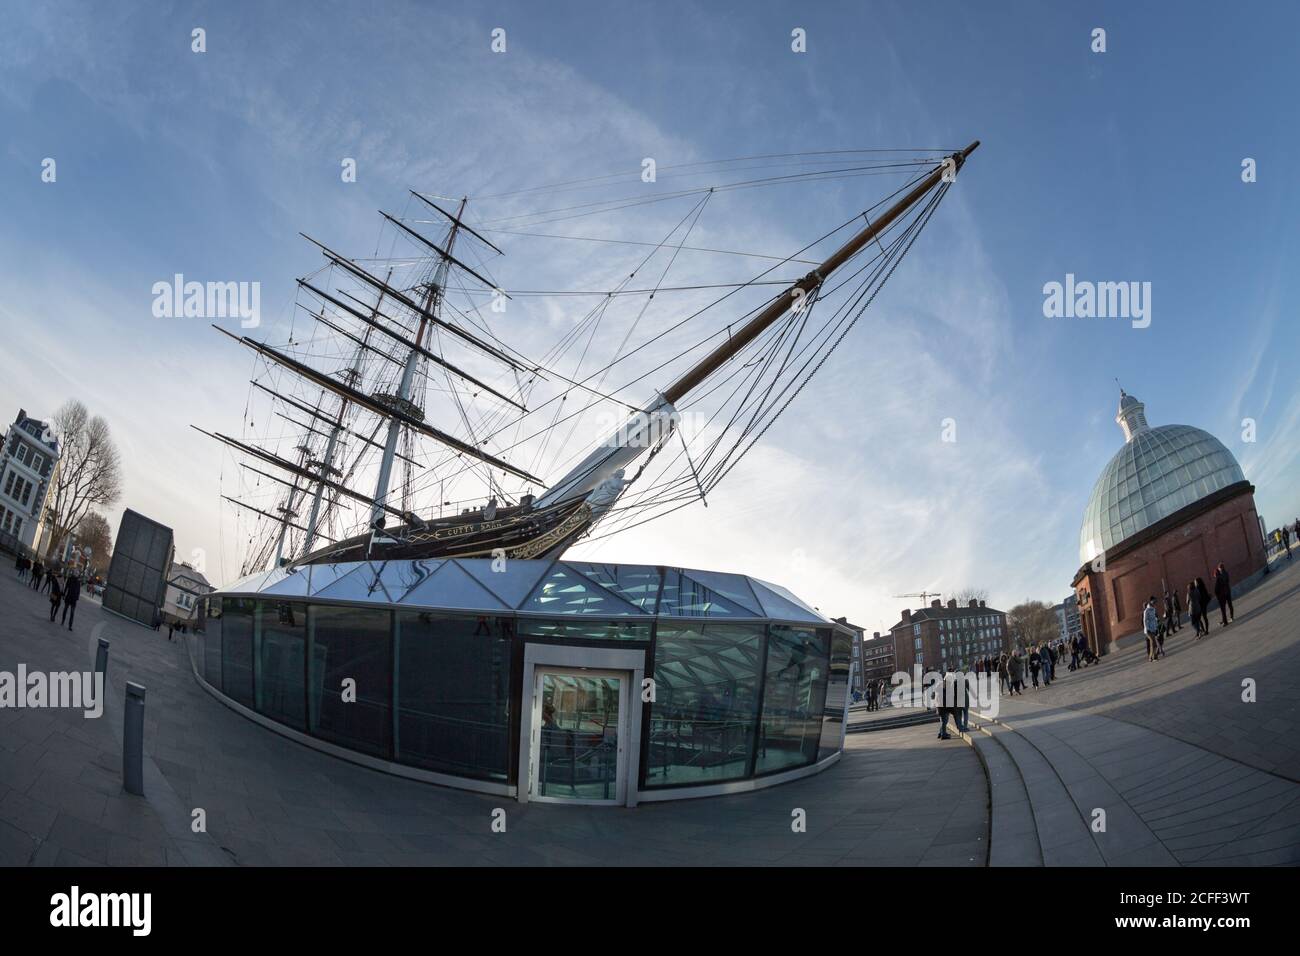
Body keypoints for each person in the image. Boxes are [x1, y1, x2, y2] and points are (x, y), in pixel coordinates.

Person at [1143, 596, 1161, 661]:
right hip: (1148, 630)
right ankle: (1154, 657)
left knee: (1153, 643)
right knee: (1153, 642)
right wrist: (1147, 628)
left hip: (1153, 629)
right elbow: (1145, 620)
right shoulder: (1146, 610)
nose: (1155, 602)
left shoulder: (1153, 609)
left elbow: (1154, 619)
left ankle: (1151, 657)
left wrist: (1156, 627)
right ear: (1151, 601)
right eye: (1154, 601)